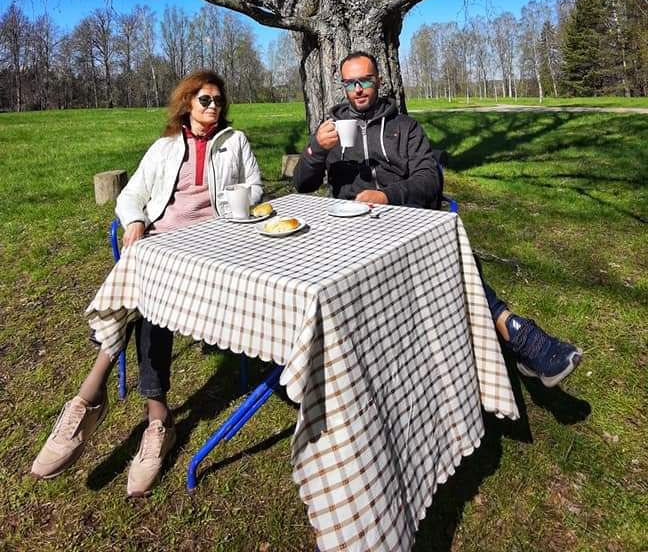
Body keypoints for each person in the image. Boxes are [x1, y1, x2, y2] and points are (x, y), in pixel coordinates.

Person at [31, 70, 263, 495]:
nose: (213, 107)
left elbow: (256, 187)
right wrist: (135, 219)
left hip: (213, 248)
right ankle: (144, 415)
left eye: (217, 100)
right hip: (163, 244)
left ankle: (104, 404)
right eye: (204, 100)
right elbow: (131, 194)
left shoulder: (236, 142)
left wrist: (237, 205)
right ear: (186, 104)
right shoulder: (164, 148)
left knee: (148, 302)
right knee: (148, 294)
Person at [293, 50, 583, 388]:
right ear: (343, 86)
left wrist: (387, 196)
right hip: (348, 234)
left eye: (366, 81)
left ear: (379, 82)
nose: (358, 89)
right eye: (350, 83)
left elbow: (430, 180)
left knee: (448, 259)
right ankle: (519, 335)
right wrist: (315, 148)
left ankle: (517, 335)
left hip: (401, 224)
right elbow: (302, 183)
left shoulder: (405, 128)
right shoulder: (329, 129)